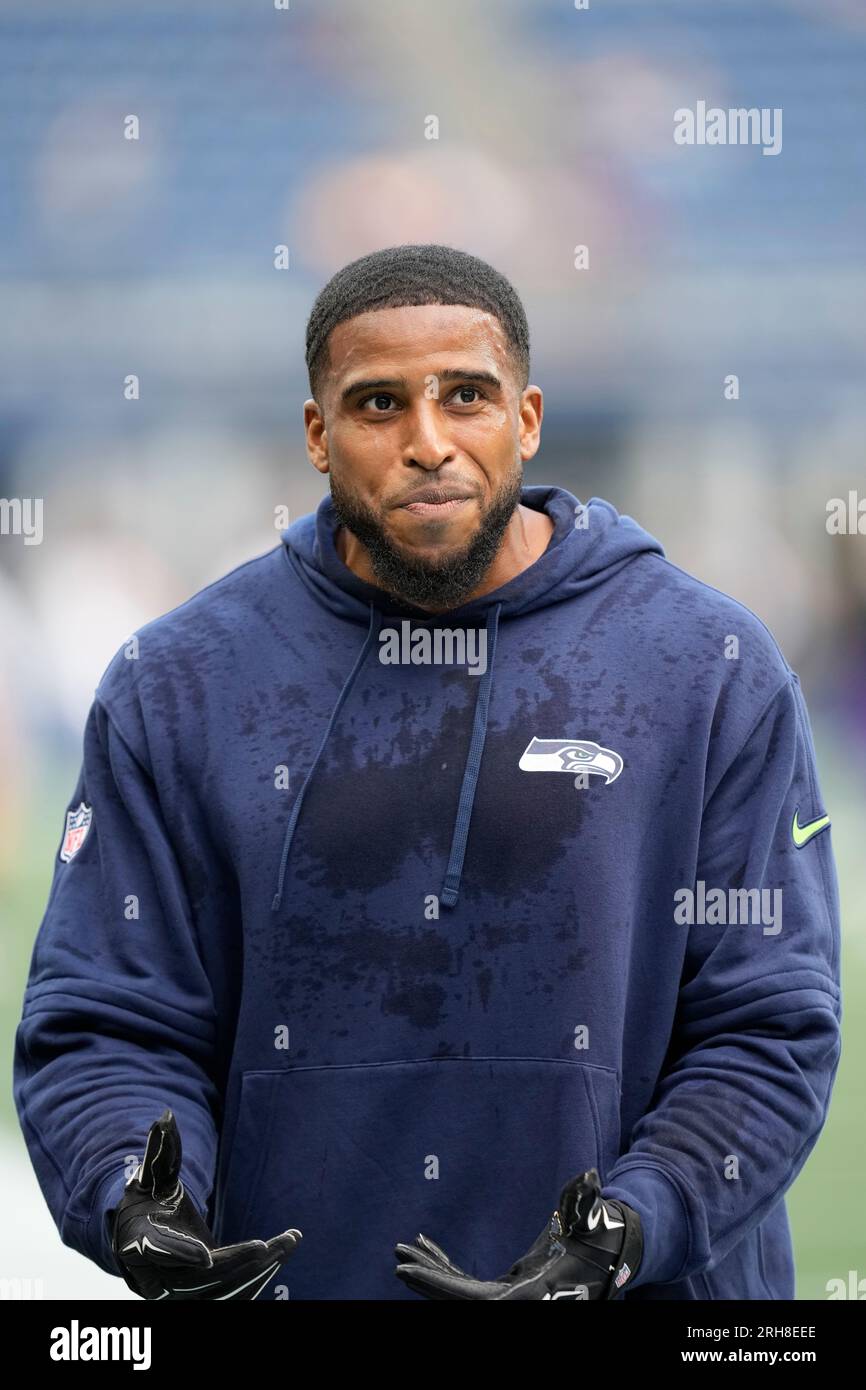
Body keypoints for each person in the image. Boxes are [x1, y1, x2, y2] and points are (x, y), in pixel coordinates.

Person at [13, 243, 841, 1300]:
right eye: (377, 404)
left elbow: (765, 1022)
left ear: (527, 419)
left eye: (466, 396)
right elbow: (105, 1015)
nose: (427, 442)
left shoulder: (707, 666)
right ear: (316, 434)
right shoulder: (176, 681)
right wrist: (132, 1194)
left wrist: (625, 1233)